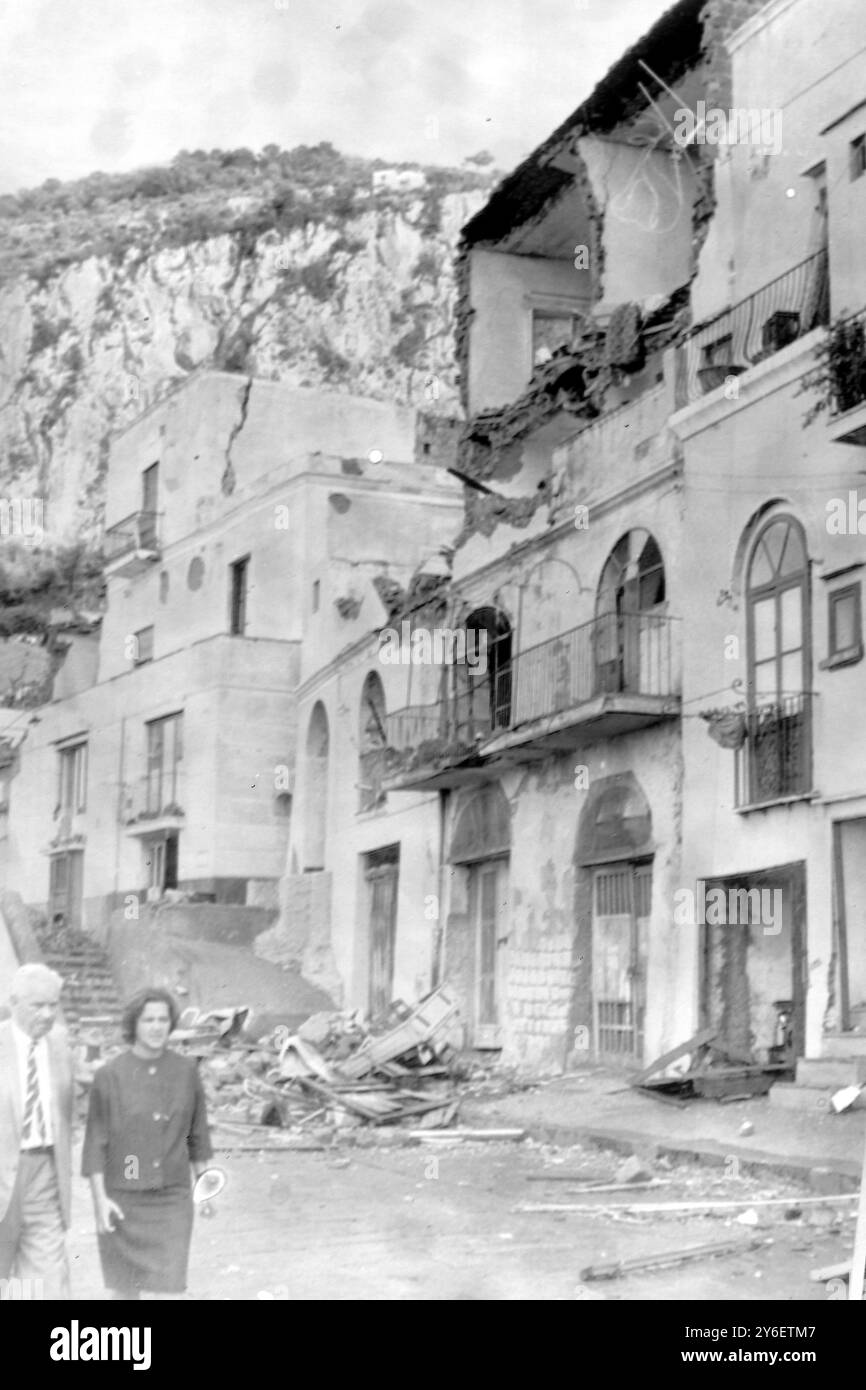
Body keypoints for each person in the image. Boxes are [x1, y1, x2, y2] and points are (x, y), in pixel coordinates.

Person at [82, 986, 213, 1300]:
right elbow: (95, 1144)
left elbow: (198, 1137)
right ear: (133, 1025)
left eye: (163, 1020)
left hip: (172, 1198)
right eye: (148, 1020)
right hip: (124, 1197)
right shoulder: (110, 1076)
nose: (157, 1027)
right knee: (124, 1291)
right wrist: (100, 1201)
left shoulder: (186, 1072)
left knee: (170, 1289)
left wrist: (206, 1191)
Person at [0, 962, 74, 1299]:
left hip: (45, 1172)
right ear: (13, 1003)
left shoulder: (59, 1042)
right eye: (38, 1005)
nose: (47, 1014)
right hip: (3, 1174)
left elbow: (65, 1106)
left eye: (53, 1005)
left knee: (47, 1284)